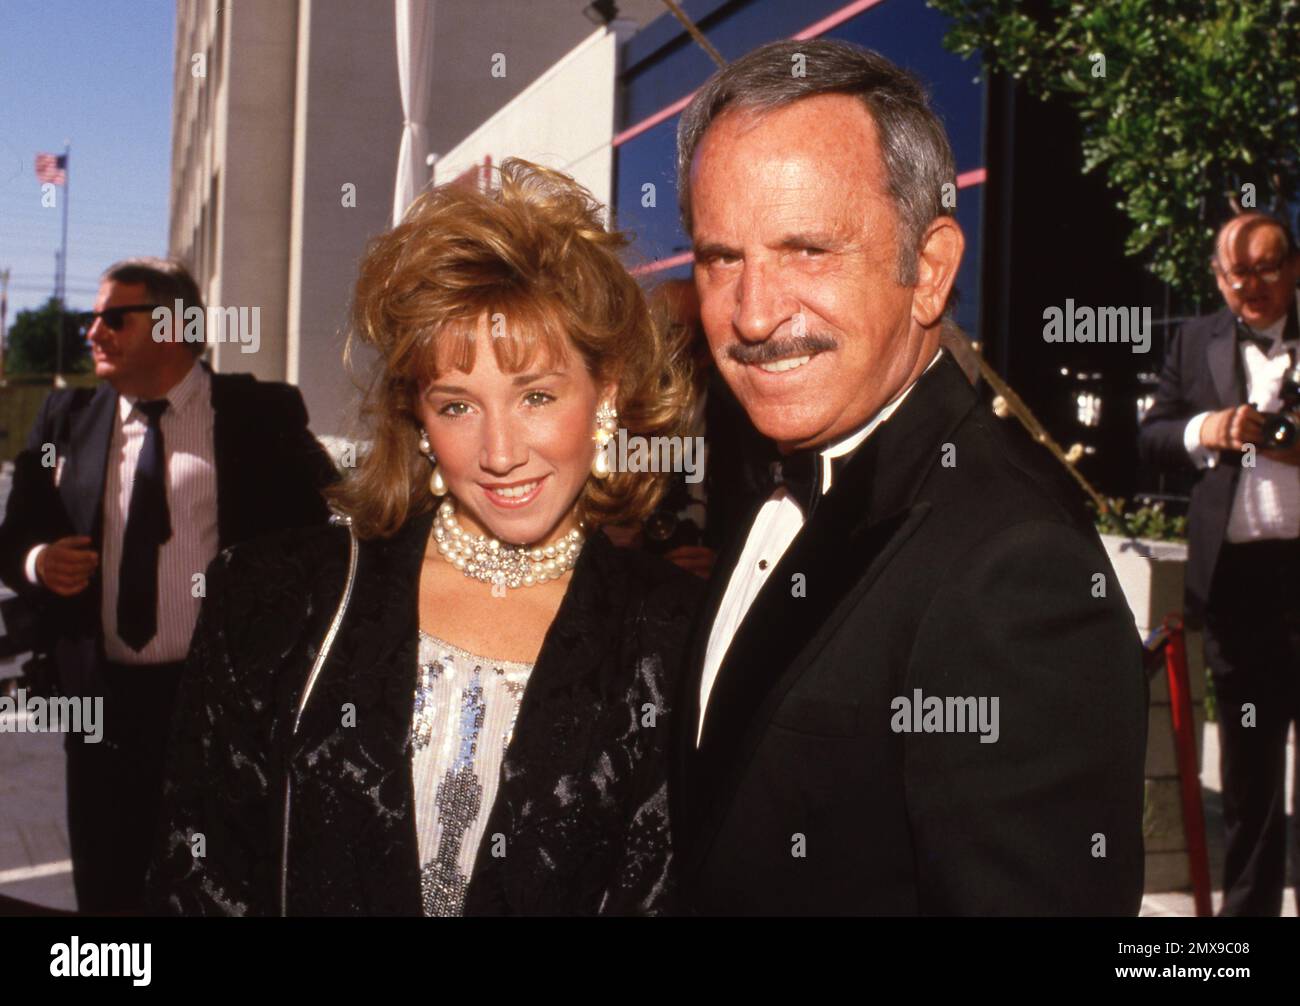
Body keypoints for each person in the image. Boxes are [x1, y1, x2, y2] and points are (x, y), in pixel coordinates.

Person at [148, 159, 702, 916]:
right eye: (457, 405)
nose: (500, 451)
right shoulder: (274, 598)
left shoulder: (677, 637)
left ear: (605, 395)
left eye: (536, 395)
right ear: (416, 414)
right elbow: (197, 878)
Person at [669, 39, 1148, 915]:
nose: (753, 312)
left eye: (807, 250)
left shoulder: (1016, 571)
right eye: (720, 257)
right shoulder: (779, 473)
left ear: (927, 272)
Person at [0, 256, 337, 914]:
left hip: (216, 712)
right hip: (100, 710)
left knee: (218, 888)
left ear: (176, 323)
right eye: (89, 318)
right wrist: (40, 561)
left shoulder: (257, 413)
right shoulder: (63, 421)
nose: (92, 332)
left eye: (112, 317)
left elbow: (329, 531)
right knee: (107, 891)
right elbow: (13, 536)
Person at [1139, 211, 1300, 916]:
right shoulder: (1194, 338)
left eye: (1267, 268)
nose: (1252, 285)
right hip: (1240, 593)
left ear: (1294, 266)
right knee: (1250, 781)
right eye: (1238, 274)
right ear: (1217, 277)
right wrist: (1212, 429)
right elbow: (1149, 435)